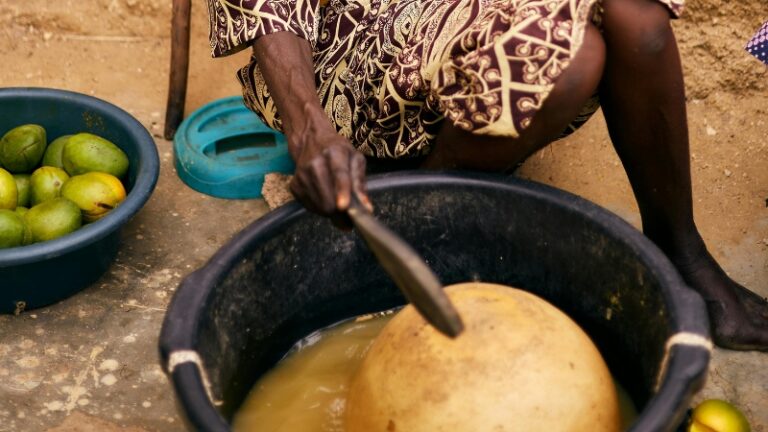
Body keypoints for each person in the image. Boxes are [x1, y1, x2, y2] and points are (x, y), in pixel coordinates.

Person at [206, 0, 768, 350]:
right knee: (568, 61)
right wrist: (309, 132)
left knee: (635, 12)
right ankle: (419, 218)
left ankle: (679, 249)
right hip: (356, 38)